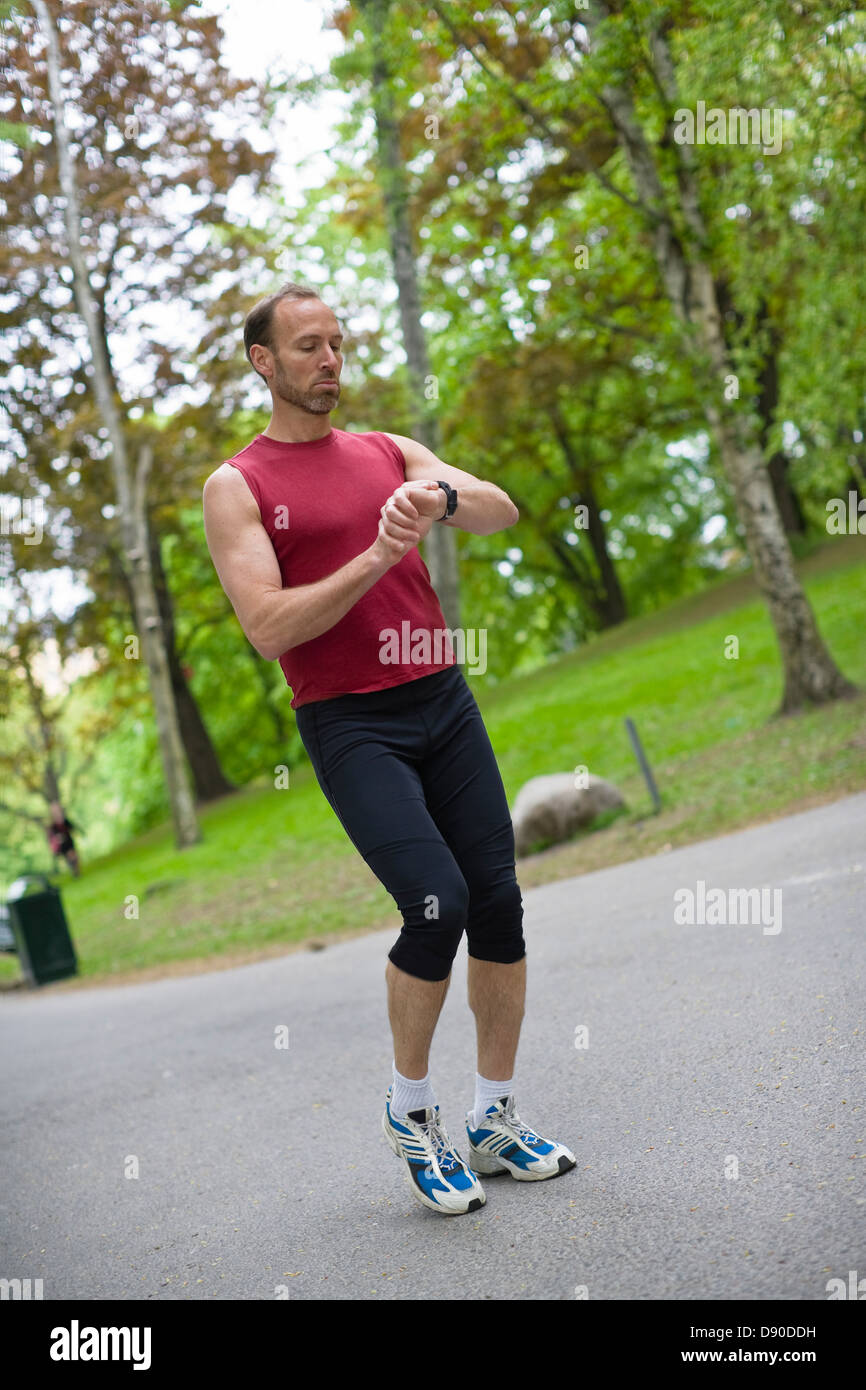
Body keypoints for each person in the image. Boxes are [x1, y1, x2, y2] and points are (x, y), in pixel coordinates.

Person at [202, 282, 575, 1216]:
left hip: (441, 700)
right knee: (436, 902)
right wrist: (373, 555)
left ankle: (493, 1117)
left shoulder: (386, 452)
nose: (330, 360)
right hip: (351, 722)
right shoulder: (236, 485)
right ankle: (412, 1112)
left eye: (338, 343)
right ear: (265, 363)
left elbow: (503, 510)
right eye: (308, 347)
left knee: (497, 901)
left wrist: (439, 496)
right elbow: (267, 626)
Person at [46, 801, 80, 877]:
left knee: (74, 856)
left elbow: (71, 827)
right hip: (62, 845)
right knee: (70, 857)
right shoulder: (53, 825)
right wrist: (58, 838)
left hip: (68, 841)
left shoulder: (64, 821)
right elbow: (53, 836)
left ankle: (75, 870)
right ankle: (74, 871)